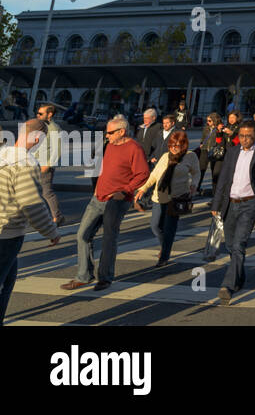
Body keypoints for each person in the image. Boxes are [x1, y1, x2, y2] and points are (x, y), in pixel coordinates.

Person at [63, 114, 147, 292]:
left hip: (116, 200)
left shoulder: (134, 148)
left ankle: (105, 277)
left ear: (122, 131)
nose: (106, 135)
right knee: (82, 235)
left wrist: (125, 190)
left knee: (109, 238)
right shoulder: (108, 145)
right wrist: (96, 187)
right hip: (98, 197)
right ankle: (84, 275)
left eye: (109, 132)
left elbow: (142, 174)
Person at [210, 118, 255, 305]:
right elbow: (223, 179)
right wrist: (216, 205)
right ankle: (239, 277)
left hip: (250, 204)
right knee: (231, 245)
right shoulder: (232, 152)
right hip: (230, 204)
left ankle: (228, 285)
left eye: (248, 136)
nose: (244, 139)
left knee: (239, 244)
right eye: (241, 136)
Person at [1, 119, 60, 325]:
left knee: (8, 280)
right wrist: (51, 231)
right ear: (37, 138)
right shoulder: (25, 162)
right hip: (8, 233)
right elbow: (32, 204)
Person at [134, 129, 199, 267]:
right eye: (171, 145)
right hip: (159, 196)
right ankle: (165, 245)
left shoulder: (190, 156)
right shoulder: (165, 156)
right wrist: (143, 188)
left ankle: (164, 256)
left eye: (176, 146)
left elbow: (196, 173)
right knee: (155, 226)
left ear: (184, 145)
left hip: (177, 198)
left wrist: (194, 184)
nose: (173, 148)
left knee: (169, 228)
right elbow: (154, 175)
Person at [33, 103, 65, 226]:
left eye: (40, 113)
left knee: (46, 192)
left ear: (49, 114)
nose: (37, 115)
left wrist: (49, 164)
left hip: (44, 165)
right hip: (33, 163)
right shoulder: (39, 126)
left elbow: (57, 149)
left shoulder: (54, 128)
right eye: (37, 113)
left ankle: (57, 217)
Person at [197, 113, 224, 196]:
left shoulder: (219, 128)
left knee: (214, 172)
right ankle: (196, 188)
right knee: (201, 170)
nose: (208, 122)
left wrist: (220, 130)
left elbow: (221, 139)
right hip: (205, 150)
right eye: (207, 120)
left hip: (214, 151)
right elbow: (203, 138)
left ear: (214, 120)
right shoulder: (206, 128)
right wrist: (202, 143)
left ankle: (215, 191)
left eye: (209, 121)